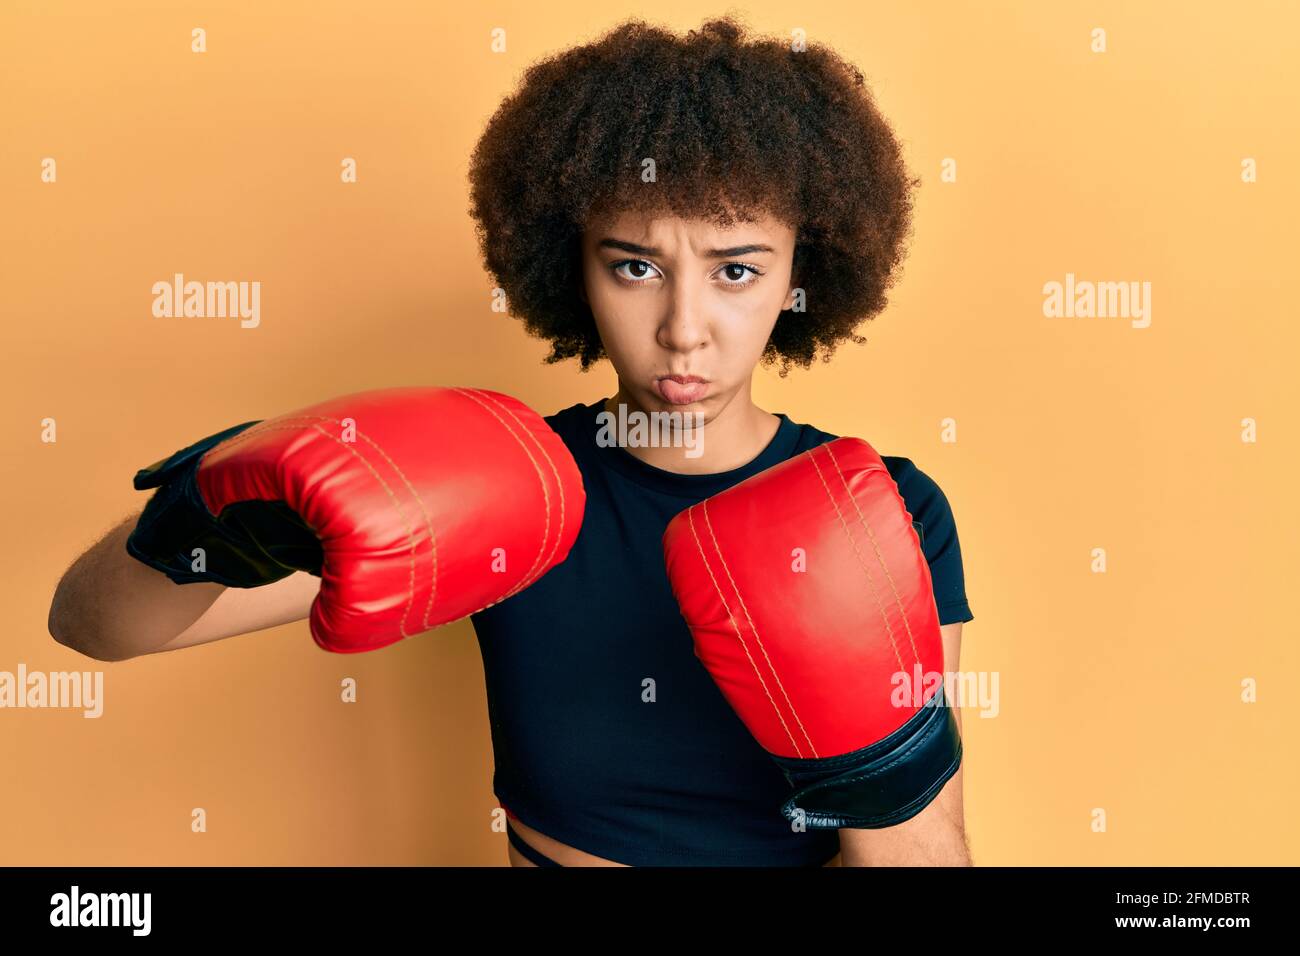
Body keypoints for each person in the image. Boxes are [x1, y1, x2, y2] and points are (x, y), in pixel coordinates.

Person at [47, 16, 973, 867]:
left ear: (799, 277)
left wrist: (879, 769)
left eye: (736, 270)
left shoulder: (886, 509)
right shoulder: (509, 488)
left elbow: (928, 851)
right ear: (571, 266)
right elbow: (91, 627)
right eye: (636, 266)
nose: (684, 327)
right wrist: (210, 508)